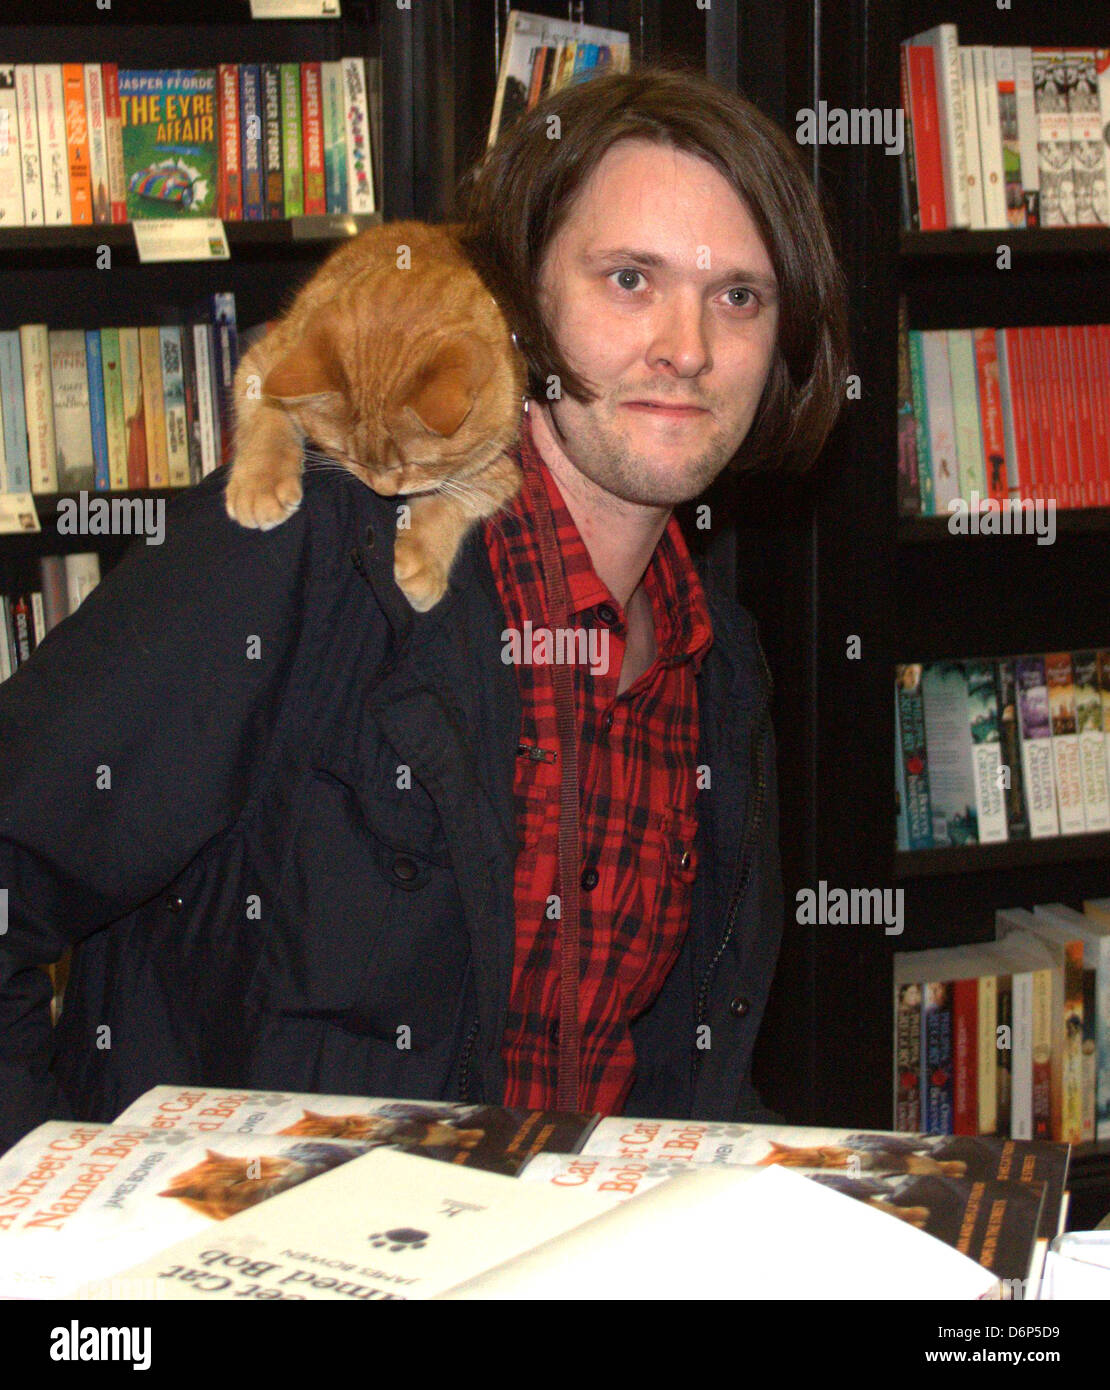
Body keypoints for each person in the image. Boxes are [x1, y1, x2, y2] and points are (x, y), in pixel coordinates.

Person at [0, 64, 848, 1154]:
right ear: (520, 300)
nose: (686, 346)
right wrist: (46, 1232)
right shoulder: (309, 549)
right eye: (629, 279)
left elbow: (676, 1090)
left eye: (739, 294)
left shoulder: (716, 665)